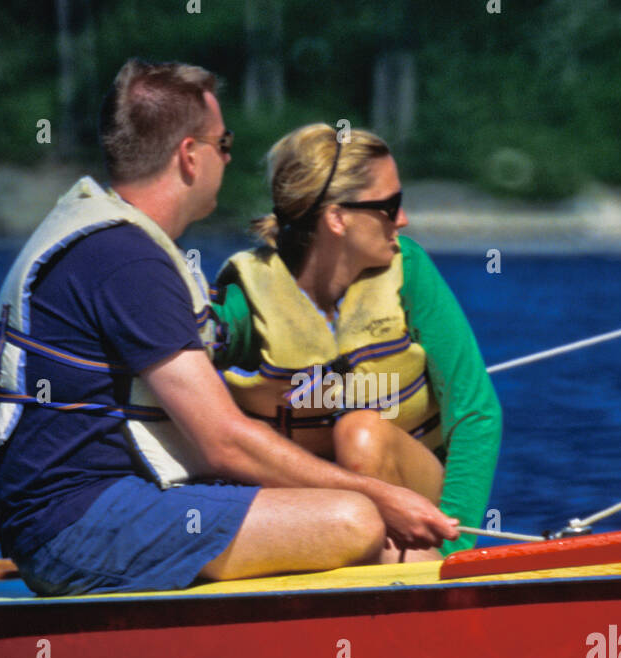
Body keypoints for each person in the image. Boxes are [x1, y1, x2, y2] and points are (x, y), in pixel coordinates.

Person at [0, 60, 458, 595]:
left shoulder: (111, 236)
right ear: (188, 155)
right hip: (75, 527)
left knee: (391, 547)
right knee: (355, 519)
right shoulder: (124, 259)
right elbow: (222, 444)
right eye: (223, 145)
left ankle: (427, 636)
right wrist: (378, 493)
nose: (228, 160)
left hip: (103, 511)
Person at [213, 123, 502, 560]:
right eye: (389, 206)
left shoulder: (411, 270)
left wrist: (456, 547)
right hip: (308, 497)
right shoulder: (245, 302)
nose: (402, 220)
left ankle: (396, 563)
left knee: (360, 432)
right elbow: (176, 355)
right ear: (337, 218)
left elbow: (476, 411)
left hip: (413, 487)